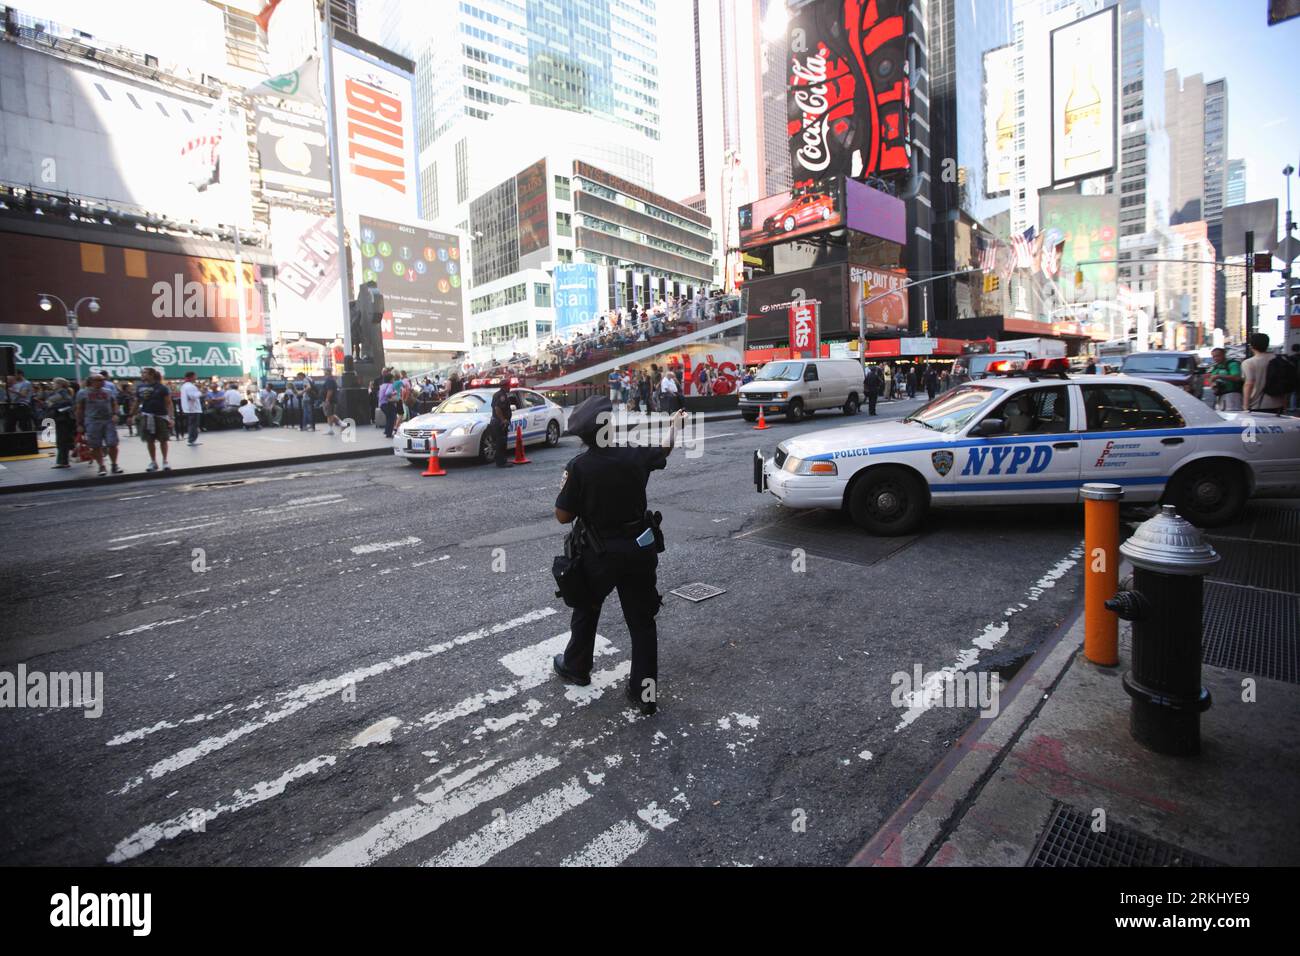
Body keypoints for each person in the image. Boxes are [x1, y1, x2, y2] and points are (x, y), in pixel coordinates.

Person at [551, 396, 686, 716]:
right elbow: (664, 450)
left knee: (586, 605)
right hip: (640, 547)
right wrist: (674, 428)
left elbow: (562, 516)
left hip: (600, 553)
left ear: (584, 437)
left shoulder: (580, 467)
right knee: (642, 622)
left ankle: (577, 666)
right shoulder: (635, 453)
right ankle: (645, 694)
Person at [75, 373, 122, 476]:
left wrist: (115, 414)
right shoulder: (83, 393)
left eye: (102, 380)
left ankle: (114, 464)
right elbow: (79, 409)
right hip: (92, 421)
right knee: (96, 445)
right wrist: (79, 424)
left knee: (112, 443)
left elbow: (114, 404)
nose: (102, 382)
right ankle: (101, 466)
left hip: (108, 420)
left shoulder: (108, 392)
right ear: (91, 381)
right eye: (99, 380)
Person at [133, 367, 174, 472]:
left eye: (145, 373)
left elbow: (169, 403)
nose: (142, 375)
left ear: (151, 375)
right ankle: (153, 461)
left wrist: (171, 417)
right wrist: (131, 415)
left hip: (160, 416)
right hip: (147, 416)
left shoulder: (162, 387)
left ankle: (165, 461)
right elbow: (137, 402)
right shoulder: (140, 387)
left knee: (163, 439)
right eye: (142, 373)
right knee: (149, 440)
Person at [1242, 332, 1287, 414]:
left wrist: (1245, 406)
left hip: (1258, 405)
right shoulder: (1279, 359)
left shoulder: (1249, 363)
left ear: (1251, 346)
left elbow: (1249, 384)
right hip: (1278, 404)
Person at [45, 377, 77, 468]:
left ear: (60, 384)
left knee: (62, 440)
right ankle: (63, 460)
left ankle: (63, 461)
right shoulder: (62, 392)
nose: (52, 385)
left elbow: (68, 403)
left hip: (63, 419)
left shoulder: (62, 392)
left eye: (54, 383)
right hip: (63, 419)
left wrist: (54, 406)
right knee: (64, 440)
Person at [1207, 347, 1244, 411]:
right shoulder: (1216, 367)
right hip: (1220, 396)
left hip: (1232, 395)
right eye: (1213, 357)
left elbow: (1237, 377)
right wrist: (1213, 384)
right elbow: (1211, 379)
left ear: (1224, 355)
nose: (1215, 358)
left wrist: (1219, 376)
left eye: (1218, 356)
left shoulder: (1232, 364)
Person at [490, 378, 514, 467]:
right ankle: (501, 462)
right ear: (505, 386)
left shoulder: (499, 394)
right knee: (501, 442)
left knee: (501, 442)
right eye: (509, 386)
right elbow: (497, 408)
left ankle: (501, 460)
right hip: (499, 423)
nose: (510, 387)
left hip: (498, 422)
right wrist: (503, 420)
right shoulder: (501, 396)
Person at [180, 371, 204, 445]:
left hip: (189, 408)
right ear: (191, 377)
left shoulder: (184, 386)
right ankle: (192, 440)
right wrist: (200, 392)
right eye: (195, 376)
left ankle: (192, 439)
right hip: (193, 408)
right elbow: (192, 396)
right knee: (194, 425)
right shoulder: (190, 386)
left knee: (192, 424)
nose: (196, 378)